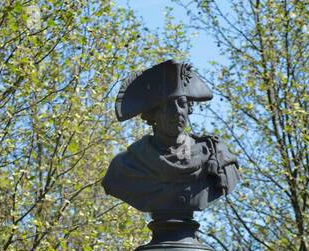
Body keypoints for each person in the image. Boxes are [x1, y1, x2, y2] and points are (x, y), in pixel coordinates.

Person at [102, 60, 239, 226]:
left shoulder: (216, 157)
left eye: (181, 103)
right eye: (167, 106)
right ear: (151, 115)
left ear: (189, 108)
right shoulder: (126, 166)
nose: (177, 112)